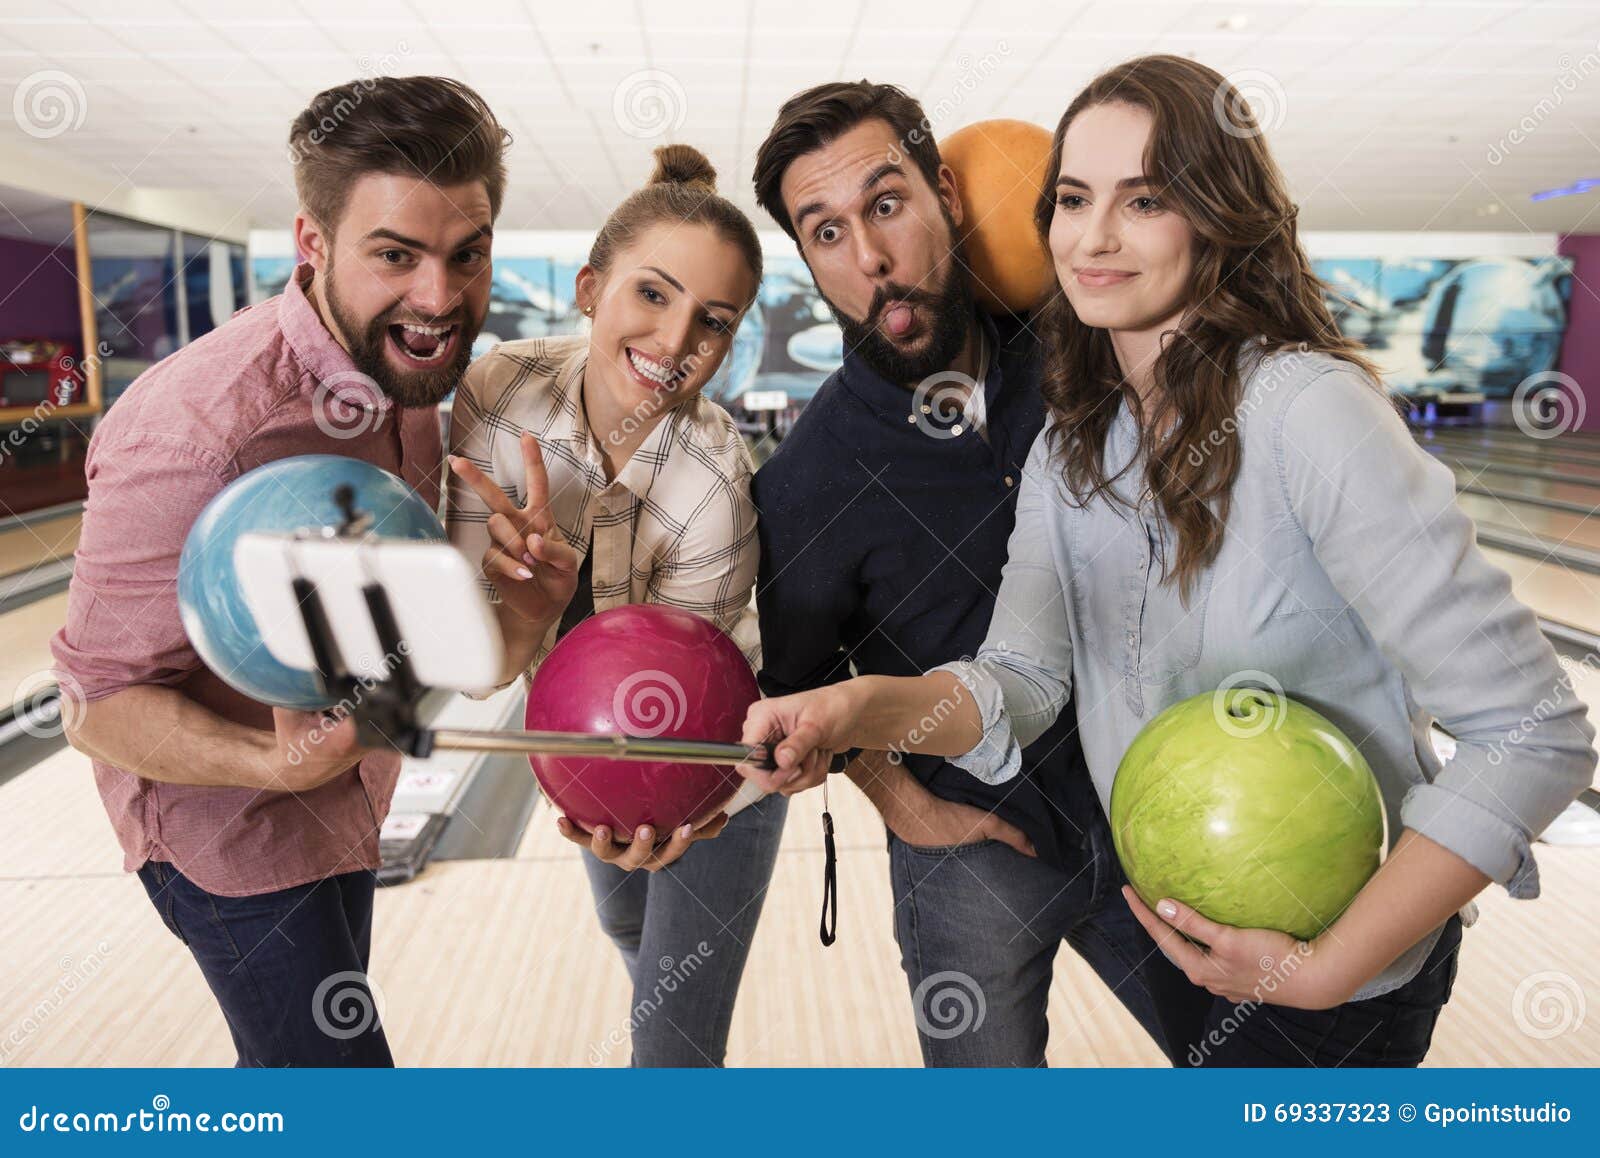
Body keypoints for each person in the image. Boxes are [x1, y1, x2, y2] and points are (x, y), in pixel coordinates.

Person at [739, 55, 1597, 1067]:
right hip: (1181, 923)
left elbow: (1534, 731)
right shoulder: (1072, 449)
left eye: (1142, 199)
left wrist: (1321, 970)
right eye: (1072, 199)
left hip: (1338, 958)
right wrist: (858, 711)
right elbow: (1018, 678)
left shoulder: (1307, 412)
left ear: (1214, 214)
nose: (1093, 237)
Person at [53, 76, 509, 1066]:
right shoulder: (194, 434)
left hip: (349, 786)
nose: (439, 299)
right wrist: (274, 764)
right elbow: (92, 704)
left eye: (466, 255)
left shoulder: (410, 374)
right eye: (395, 255)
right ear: (314, 243)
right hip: (230, 830)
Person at [746, 81, 1200, 1067]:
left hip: (1159, 810)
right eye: (826, 233)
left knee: (1250, 1075)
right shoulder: (805, 482)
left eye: (886, 204)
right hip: (974, 843)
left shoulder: (1087, 358)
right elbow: (802, 684)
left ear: (945, 194)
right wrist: (910, 810)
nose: (870, 257)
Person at [445, 144, 788, 1067]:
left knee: (674, 1045)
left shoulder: (713, 480)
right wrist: (526, 606)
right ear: (591, 289)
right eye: (652, 294)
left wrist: (677, 813)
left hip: (717, 762)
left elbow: (689, 720)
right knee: (630, 930)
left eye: (713, 321)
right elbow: (477, 670)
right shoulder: (501, 391)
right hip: (580, 738)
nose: (675, 341)